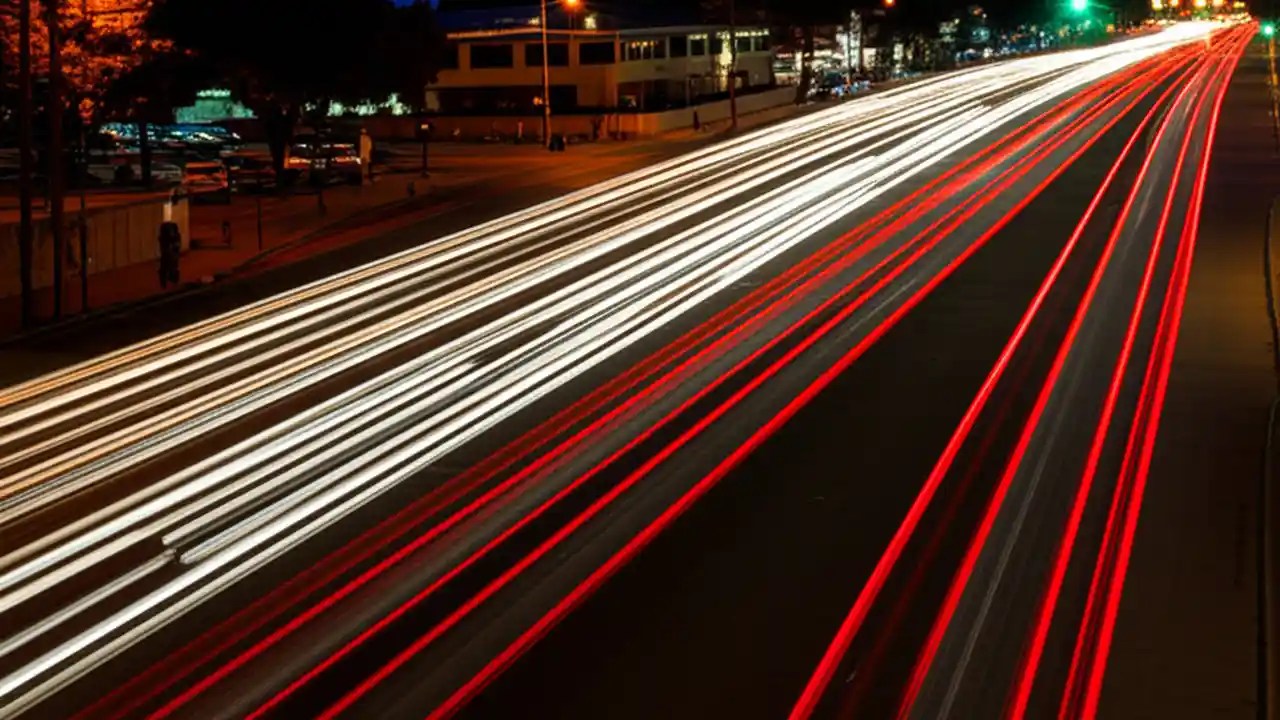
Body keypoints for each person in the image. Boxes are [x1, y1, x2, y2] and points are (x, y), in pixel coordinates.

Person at [158, 222, 181, 289]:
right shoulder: (164, 237)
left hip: (172, 255)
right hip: (168, 255)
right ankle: (165, 284)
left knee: (173, 267)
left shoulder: (176, 236)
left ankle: (172, 281)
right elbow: (164, 247)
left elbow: (177, 246)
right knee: (165, 268)